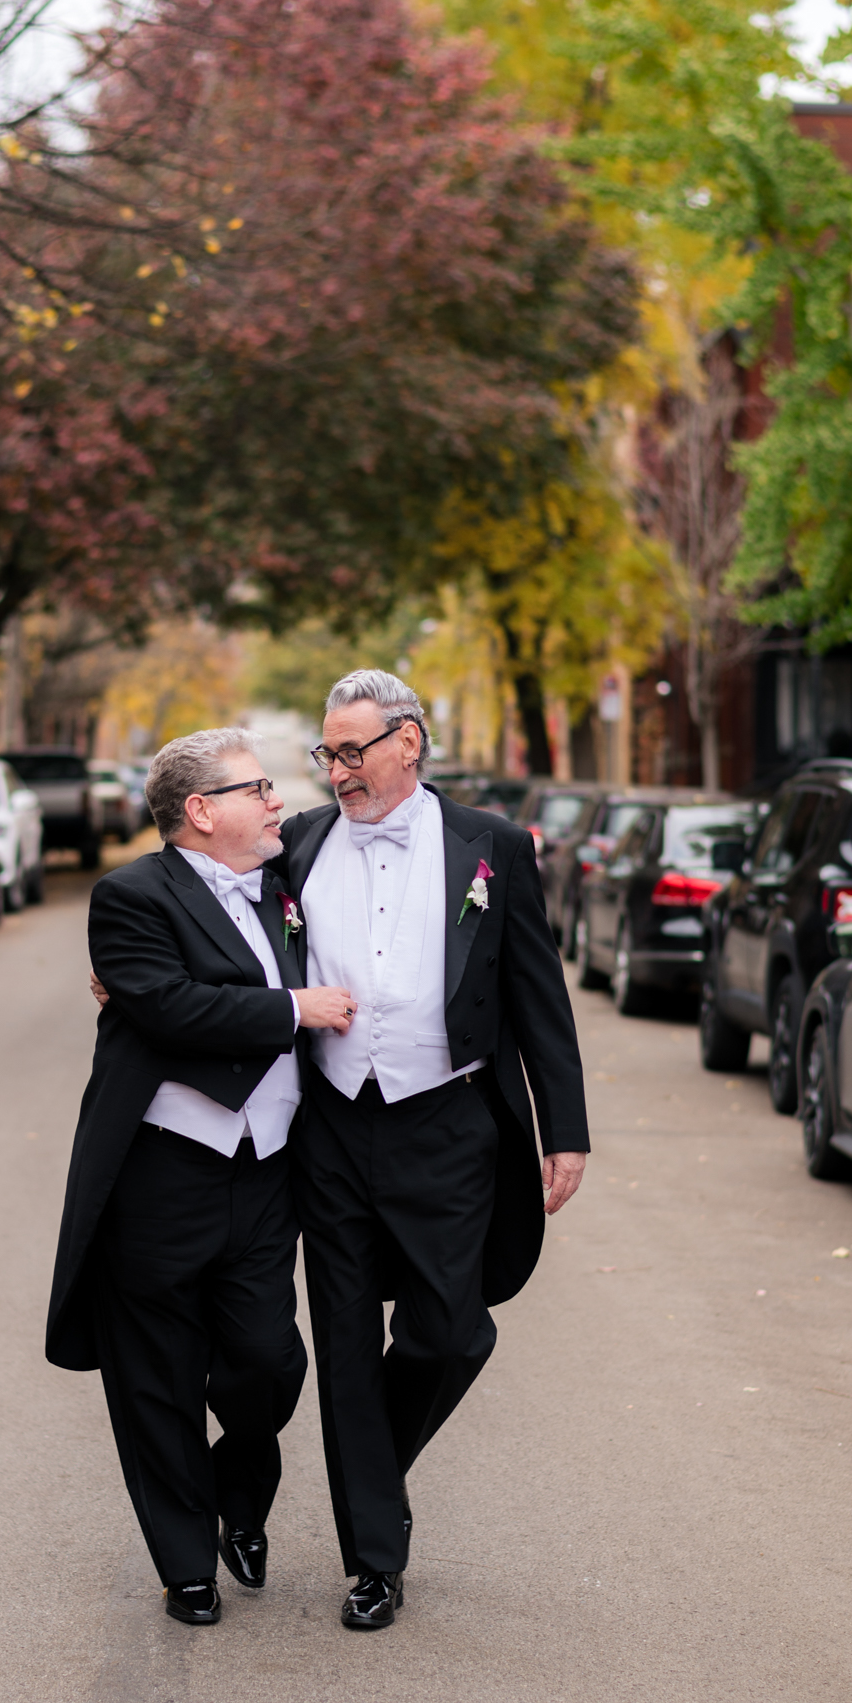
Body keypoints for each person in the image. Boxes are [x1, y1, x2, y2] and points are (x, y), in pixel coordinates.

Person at [283, 669, 588, 1631]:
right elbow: (216, 930)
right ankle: (373, 1558)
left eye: (353, 750)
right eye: (326, 752)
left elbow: (538, 992)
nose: (337, 771)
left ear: (408, 742)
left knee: (450, 1332)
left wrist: (565, 1129)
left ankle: (370, 1465)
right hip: (328, 1125)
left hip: (447, 1123)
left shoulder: (490, 847)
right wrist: (126, 978)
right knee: (341, 1344)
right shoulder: (295, 845)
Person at [45, 728, 358, 1626]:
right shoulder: (131, 896)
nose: (275, 802)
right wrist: (294, 1009)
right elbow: (169, 1004)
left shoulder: (286, 883)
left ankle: (235, 1488)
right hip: (158, 1173)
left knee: (270, 1359)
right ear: (200, 811)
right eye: (257, 788)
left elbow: (350, 838)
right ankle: (186, 1565)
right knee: (157, 1378)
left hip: (264, 1169)